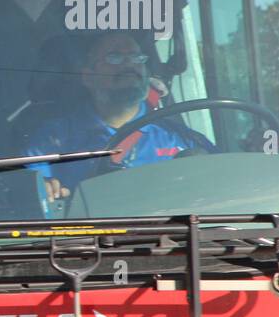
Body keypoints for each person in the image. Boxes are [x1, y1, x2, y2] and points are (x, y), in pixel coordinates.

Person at [25, 31, 213, 204]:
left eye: (137, 57)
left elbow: (222, 188)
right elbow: (31, 192)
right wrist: (43, 189)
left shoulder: (181, 138)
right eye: (114, 57)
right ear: (88, 77)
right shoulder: (52, 140)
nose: (130, 64)